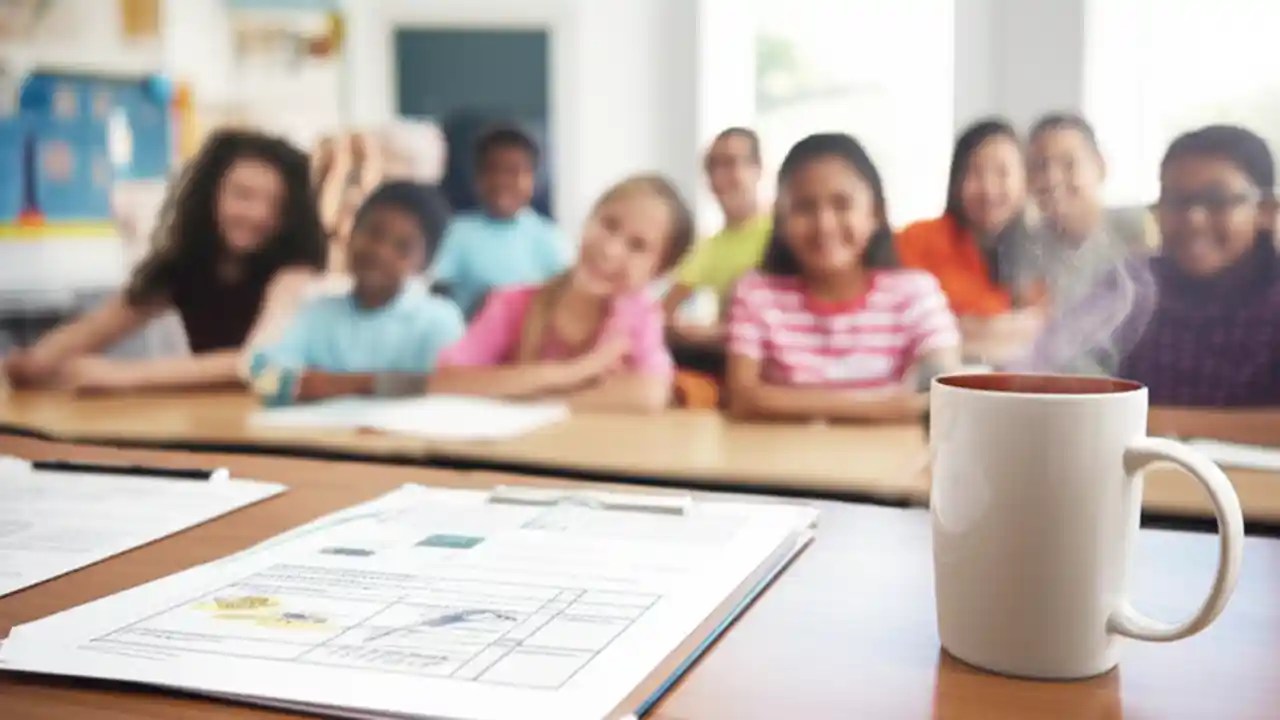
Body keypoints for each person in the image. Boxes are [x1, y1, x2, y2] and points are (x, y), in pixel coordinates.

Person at [4, 129, 325, 393]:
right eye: (243, 196)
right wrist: (33, 363)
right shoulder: (185, 266)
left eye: (275, 204)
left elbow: (254, 362)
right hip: (222, 421)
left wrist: (123, 376)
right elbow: (95, 328)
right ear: (210, 196)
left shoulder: (295, 273)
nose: (259, 214)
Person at [1026, 125, 1280, 406]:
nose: (1193, 218)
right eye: (1176, 200)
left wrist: (1151, 421)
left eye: (1217, 200)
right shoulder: (1137, 283)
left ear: (1266, 211)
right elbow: (1054, 354)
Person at [725, 133, 961, 422]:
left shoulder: (915, 293)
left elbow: (941, 390)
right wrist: (885, 407)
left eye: (842, 204)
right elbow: (743, 397)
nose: (824, 225)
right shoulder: (756, 293)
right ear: (781, 221)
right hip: (781, 462)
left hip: (888, 463)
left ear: (875, 213)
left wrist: (788, 402)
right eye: (804, 207)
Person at [430, 175, 694, 413]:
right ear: (589, 219)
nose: (610, 250)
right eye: (609, 224)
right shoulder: (512, 303)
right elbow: (444, 382)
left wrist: (526, 395)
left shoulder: (640, 317)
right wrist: (576, 371)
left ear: (658, 272)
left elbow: (649, 394)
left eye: (637, 246)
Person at [247, 182, 465, 405]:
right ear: (351, 233)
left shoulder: (439, 319)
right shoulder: (318, 312)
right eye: (373, 233)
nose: (380, 252)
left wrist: (329, 385)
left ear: (424, 263)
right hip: (317, 435)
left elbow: (444, 388)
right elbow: (264, 378)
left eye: (402, 247)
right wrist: (377, 385)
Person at [896, 119, 1041, 365]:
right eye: (975, 172)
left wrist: (964, 327)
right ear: (956, 181)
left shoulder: (1039, 249)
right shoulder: (917, 239)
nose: (988, 188)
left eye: (1002, 172)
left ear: (1025, 181)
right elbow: (902, 327)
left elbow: (1046, 330)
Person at [431, 125, 569, 317]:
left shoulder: (550, 238)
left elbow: (565, 297)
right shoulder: (457, 232)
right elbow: (438, 290)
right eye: (491, 170)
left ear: (533, 180)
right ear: (476, 178)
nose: (501, 181)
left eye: (513, 172)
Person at [1027, 113, 1156, 311]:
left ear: (1101, 166)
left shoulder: (1136, 228)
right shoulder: (1027, 247)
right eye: (1040, 166)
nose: (1051, 179)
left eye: (1068, 164)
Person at [662, 127, 772, 339]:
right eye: (713, 166)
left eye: (731, 163)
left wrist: (717, 331)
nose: (721, 176)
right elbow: (663, 312)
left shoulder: (783, 233)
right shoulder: (707, 247)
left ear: (757, 168)